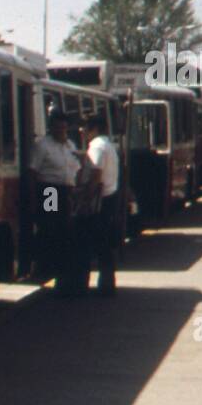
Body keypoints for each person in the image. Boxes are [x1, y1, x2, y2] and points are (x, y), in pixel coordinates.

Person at [28, 112, 82, 289]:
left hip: (67, 190)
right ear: (51, 128)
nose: (61, 131)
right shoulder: (43, 145)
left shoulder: (70, 145)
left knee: (66, 228)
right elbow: (33, 172)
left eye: (64, 128)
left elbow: (76, 167)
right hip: (50, 189)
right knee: (49, 225)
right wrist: (34, 198)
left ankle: (61, 266)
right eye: (58, 127)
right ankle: (46, 266)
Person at [82, 114, 120, 296]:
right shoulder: (109, 146)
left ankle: (100, 284)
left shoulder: (96, 147)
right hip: (109, 197)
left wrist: (84, 200)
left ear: (94, 129)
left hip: (98, 201)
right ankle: (107, 283)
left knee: (95, 243)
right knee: (104, 242)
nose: (82, 131)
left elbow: (95, 176)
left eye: (85, 127)